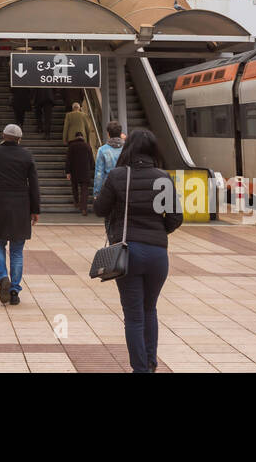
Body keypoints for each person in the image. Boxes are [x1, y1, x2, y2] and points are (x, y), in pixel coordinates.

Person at [94, 129, 183, 373]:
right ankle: (151, 361)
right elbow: (176, 216)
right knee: (150, 308)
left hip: (128, 252)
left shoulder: (118, 176)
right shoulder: (163, 177)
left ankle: (140, 368)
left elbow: (100, 209)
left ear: (128, 148)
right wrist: (157, 231)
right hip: (157, 254)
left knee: (133, 315)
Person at [0, 123, 40, 305]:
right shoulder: (26, 156)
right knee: (17, 250)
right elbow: (34, 184)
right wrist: (35, 209)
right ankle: (14, 290)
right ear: (19, 139)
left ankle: (2, 277)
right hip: (21, 205)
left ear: (3, 136)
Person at [64, 130, 94, 215]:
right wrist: (90, 168)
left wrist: (68, 172)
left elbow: (68, 160)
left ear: (75, 137)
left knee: (75, 187)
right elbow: (91, 160)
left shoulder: (72, 146)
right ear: (83, 137)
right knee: (84, 190)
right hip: (85, 171)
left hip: (75, 171)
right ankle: (84, 208)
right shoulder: (87, 146)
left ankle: (76, 202)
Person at [94, 122, 124, 199]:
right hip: (124, 185)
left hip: (109, 186)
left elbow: (99, 173)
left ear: (108, 134)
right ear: (121, 133)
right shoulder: (127, 148)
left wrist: (96, 193)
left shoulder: (102, 150)